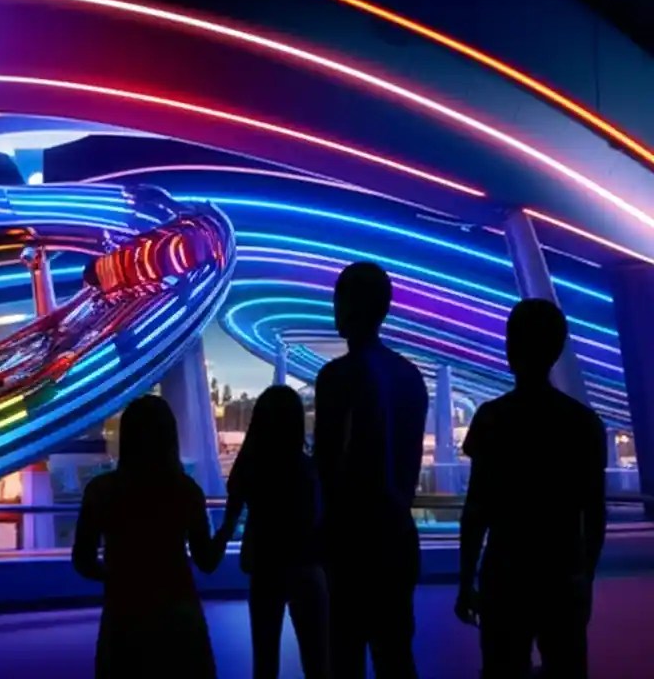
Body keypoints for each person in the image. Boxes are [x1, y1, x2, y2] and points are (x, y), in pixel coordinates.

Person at [455, 299, 607, 678]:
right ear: (556, 350)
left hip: (505, 572)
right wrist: (586, 576)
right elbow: (594, 512)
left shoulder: (492, 418)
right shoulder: (583, 424)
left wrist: (466, 580)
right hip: (562, 573)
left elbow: (476, 509)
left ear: (510, 347)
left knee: (503, 667)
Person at [313, 262, 428, 678]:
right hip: (397, 537)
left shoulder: (336, 377)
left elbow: (328, 464)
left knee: (344, 655)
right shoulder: (411, 377)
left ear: (350, 305)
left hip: (351, 542)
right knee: (396, 655)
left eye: (338, 298)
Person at [72, 394, 227, 678]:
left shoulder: (101, 491)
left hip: (124, 617)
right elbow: (207, 561)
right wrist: (228, 526)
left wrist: (119, 576)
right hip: (179, 618)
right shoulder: (186, 490)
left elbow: (83, 560)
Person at [222, 384, 330, 678]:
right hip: (306, 567)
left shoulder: (249, 468)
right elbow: (319, 519)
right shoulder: (308, 469)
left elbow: (229, 520)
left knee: (265, 661)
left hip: (265, 568)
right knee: (318, 663)